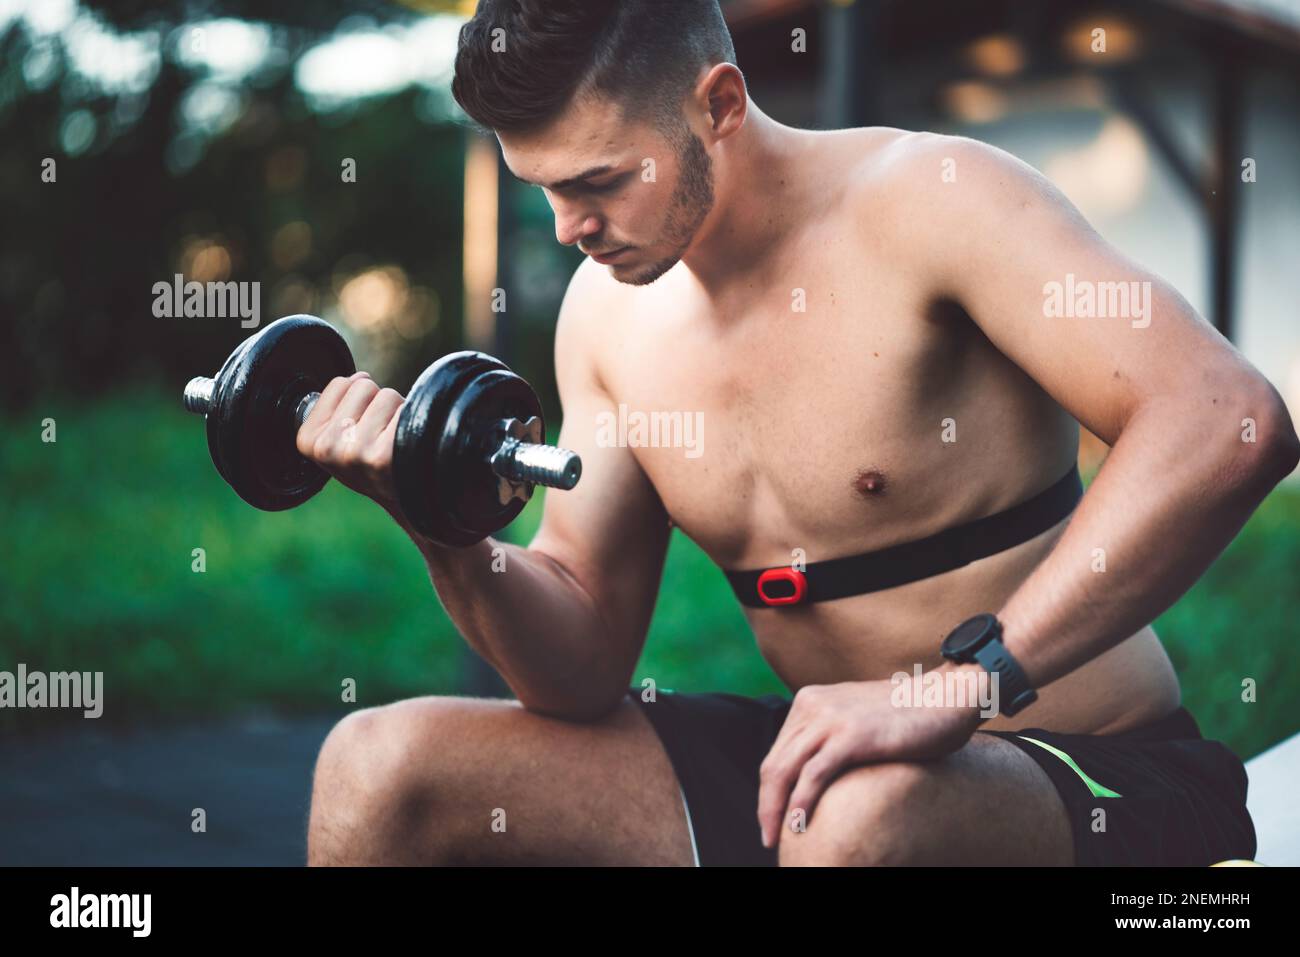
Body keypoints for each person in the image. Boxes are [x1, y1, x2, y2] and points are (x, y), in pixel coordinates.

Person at [302, 0, 1299, 866]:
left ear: (719, 104)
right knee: (379, 766)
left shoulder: (933, 202)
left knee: (855, 818)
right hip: (829, 767)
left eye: (599, 181)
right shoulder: (606, 316)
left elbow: (1230, 419)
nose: (569, 228)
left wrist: (960, 689)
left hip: (1093, 767)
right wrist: (447, 534)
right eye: (546, 188)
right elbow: (581, 665)